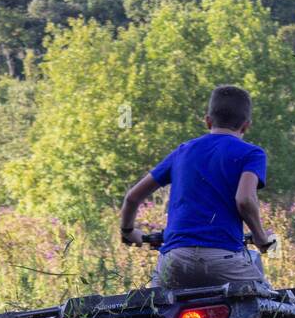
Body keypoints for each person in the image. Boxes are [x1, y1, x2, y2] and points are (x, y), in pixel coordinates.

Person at [118, 85, 278, 290]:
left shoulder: (182, 152)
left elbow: (132, 197)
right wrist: (261, 238)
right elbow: (245, 200)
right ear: (246, 126)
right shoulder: (252, 154)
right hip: (224, 260)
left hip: (175, 261)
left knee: (156, 312)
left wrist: (129, 231)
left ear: (208, 121)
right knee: (272, 308)